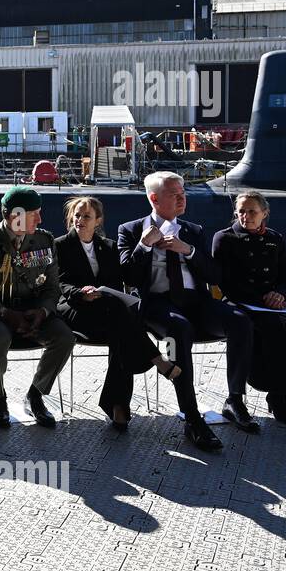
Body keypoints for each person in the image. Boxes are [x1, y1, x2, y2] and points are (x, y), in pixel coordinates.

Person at [117, 171, 255, 452]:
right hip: (158, 302)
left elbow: (215, 275)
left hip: (196, 301)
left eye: (183, 192)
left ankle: (235, 400)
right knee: (180, 329)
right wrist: (144, 245)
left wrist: (188, 251)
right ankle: (192, 418)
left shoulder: (194, 231)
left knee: (240, 321)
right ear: (154, 199)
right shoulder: (130, 230)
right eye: (174, 194)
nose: (183, 198)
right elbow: (128, 276)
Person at [56, 196, 182, 431]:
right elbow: (59, 283)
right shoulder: (60, 245)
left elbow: (118, 281)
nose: (80, 220)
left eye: (86, 216)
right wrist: (81, 293)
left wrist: (142, 246)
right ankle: (156, 360)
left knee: (120, 330)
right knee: (122, 320)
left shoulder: (109, 246)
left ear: (98, 220)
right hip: (73, 309)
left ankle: (117, 407)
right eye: (77, 215)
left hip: (104, 311)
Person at [211, 192, 286, 426]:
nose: (245, 216)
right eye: (241, 211)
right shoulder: (224, 238)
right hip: (242, 302)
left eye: (252, 211)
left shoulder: (275, 239)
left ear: (264, 213)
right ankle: (276, 394)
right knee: (279, 332)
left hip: (275, 303)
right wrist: (263, 298)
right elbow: (225, 282)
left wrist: (282, 295)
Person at [0, 186, 74, 428]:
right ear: (13, 216)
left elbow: (52, 288)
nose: (40, 219)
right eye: (34, 213)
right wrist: (5, 313)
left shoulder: (43, 240)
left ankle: (36, 395)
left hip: (31, 311)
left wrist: (43, 311)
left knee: (64, 338)